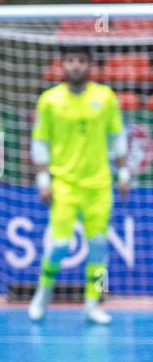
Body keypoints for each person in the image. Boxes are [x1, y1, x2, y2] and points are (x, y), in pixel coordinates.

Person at [28, 45, 130, 325]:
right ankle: (43, 295)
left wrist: (123, 172)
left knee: (98, 246)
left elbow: (117, 136)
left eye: (81, 61)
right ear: (63, 65)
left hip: (98, 184)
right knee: (60, 245)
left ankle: (92, 304)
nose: (75, 66)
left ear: (90, 66)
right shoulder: (49, 100)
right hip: (64, 184)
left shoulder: (104, 97)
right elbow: (40, 142)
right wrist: (42, 179)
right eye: (70, 61)